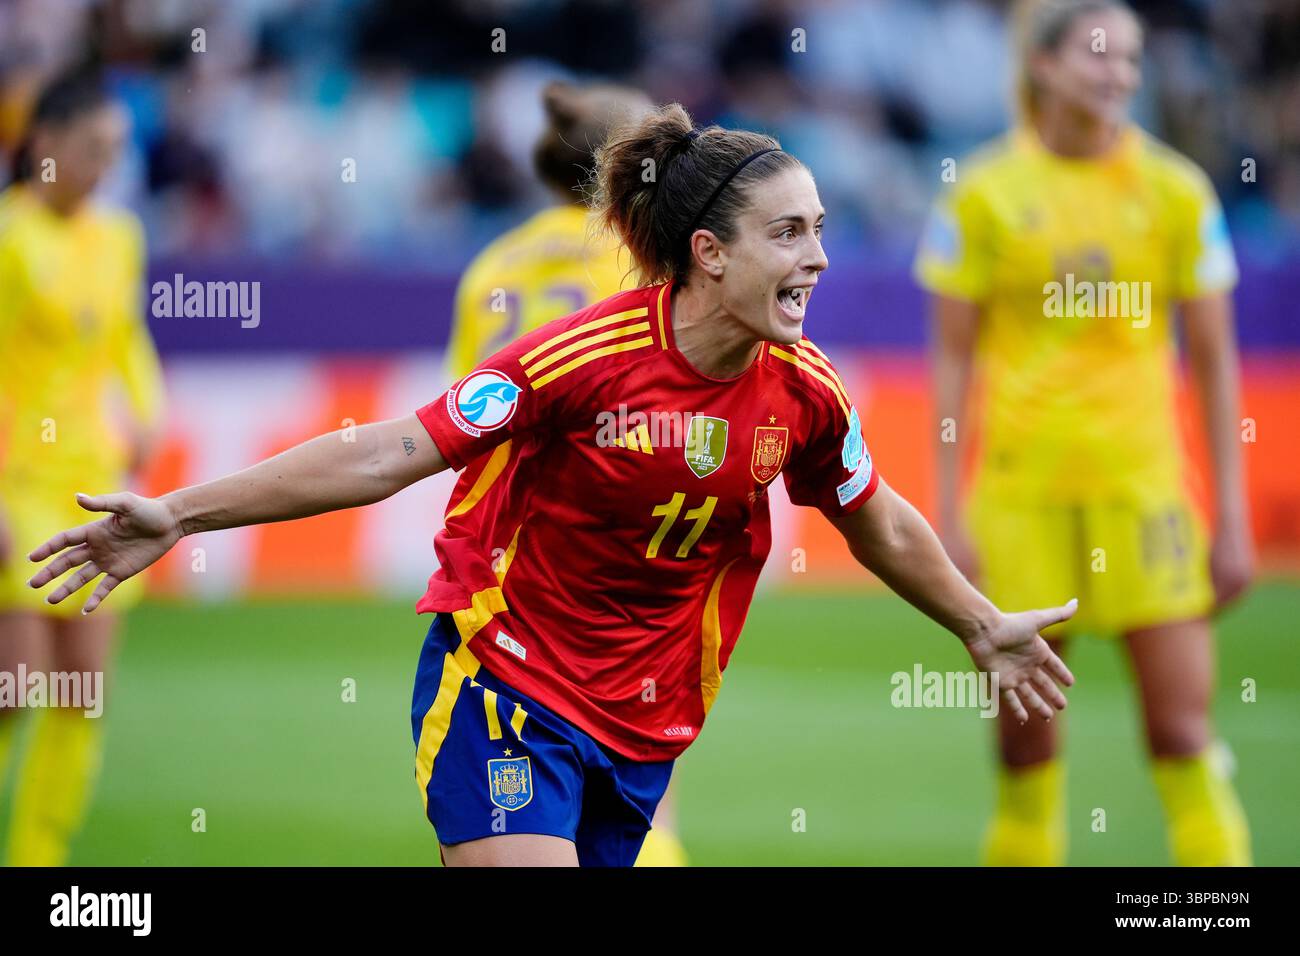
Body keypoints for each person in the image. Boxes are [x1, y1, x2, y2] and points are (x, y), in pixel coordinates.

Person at [28, 102, 1075, 867]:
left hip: (647, 722)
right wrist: (179, 510)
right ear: (708, 254)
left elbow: (873, 512)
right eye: (790, 233)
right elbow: (390, 448)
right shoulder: (574, 358)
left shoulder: (805, 393)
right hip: (506, 682)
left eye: (820, 231)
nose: (821, 258)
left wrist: (976, 623)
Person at [915, 0, 1252, 866]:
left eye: (1132, 60)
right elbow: (952, 363)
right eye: (1101, 55)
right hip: (1022, 494)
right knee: (1026, 744)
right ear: (1045, 64)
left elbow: (1215, 363)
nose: (1119, 75)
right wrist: (948, 511)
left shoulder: (1178, 191)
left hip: (1144, 490)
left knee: (1181, 731)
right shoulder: (984, 190)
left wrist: (1235, 518)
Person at [447, 79, 687, 866]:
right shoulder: (639, 259)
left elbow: (466, 423)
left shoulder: (490, 267)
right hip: (621, 548)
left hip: (509, 562)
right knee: (640, 801)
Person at [0, 70, 165, 866]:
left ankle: (37, 860)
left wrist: (145, 409)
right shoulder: (8, 238)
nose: (104, 167)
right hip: (15, 484)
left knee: (81, 691)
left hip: (90, 481)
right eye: (93, 149)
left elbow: (125, 340)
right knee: (14, 686)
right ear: (44, 145)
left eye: (115, 152)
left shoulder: (119, 236)